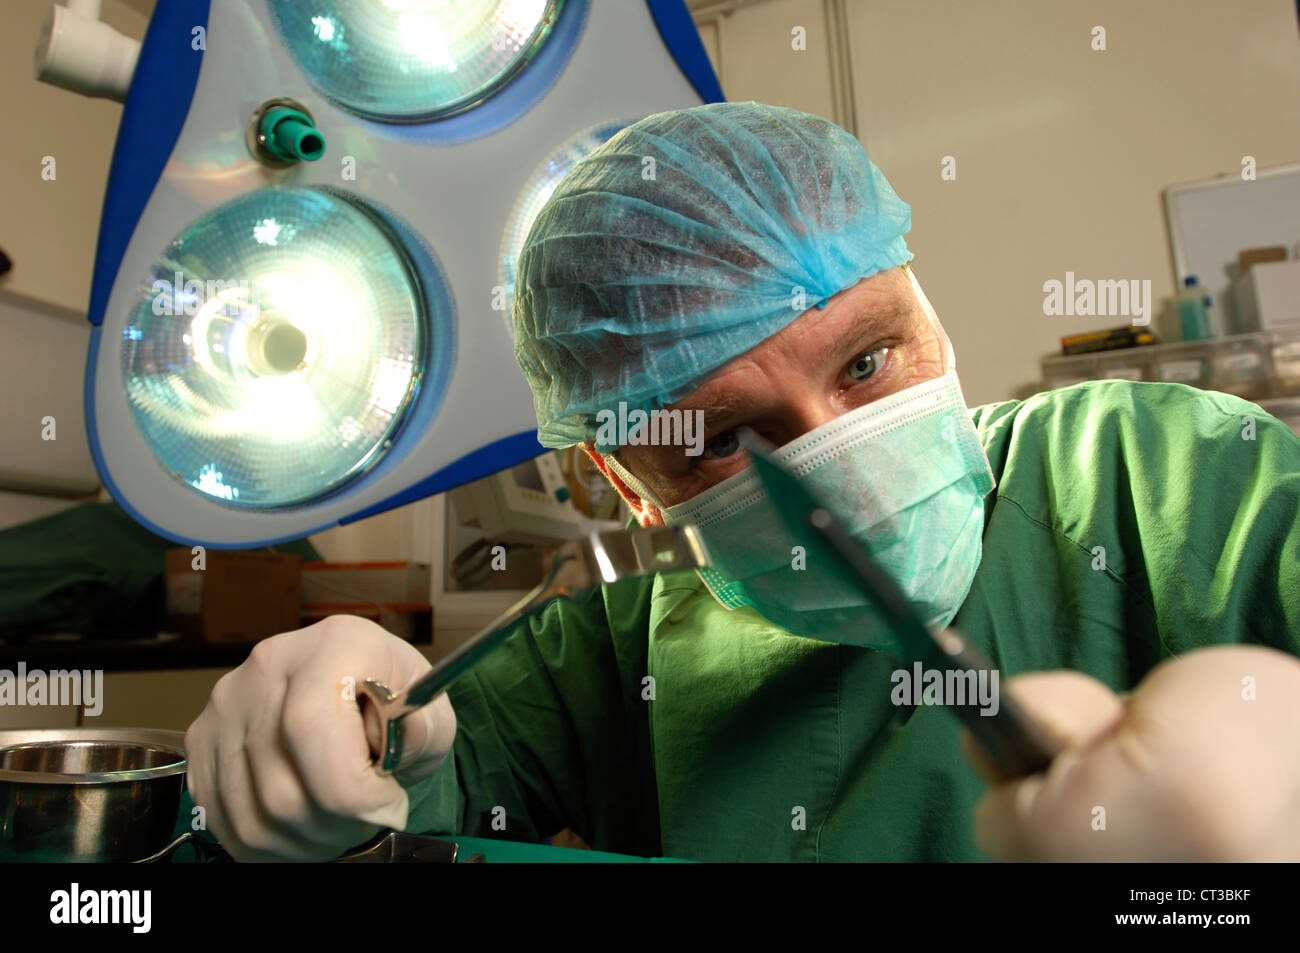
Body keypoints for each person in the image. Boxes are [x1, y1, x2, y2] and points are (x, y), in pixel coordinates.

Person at [185, 102, 1300, 862]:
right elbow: (432, 790)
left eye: (868, 361)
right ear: (624, 486)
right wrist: (355, 743)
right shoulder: (616, 641)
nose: (841, 469)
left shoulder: (1163, 473)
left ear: (930, 311)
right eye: (724, 440)